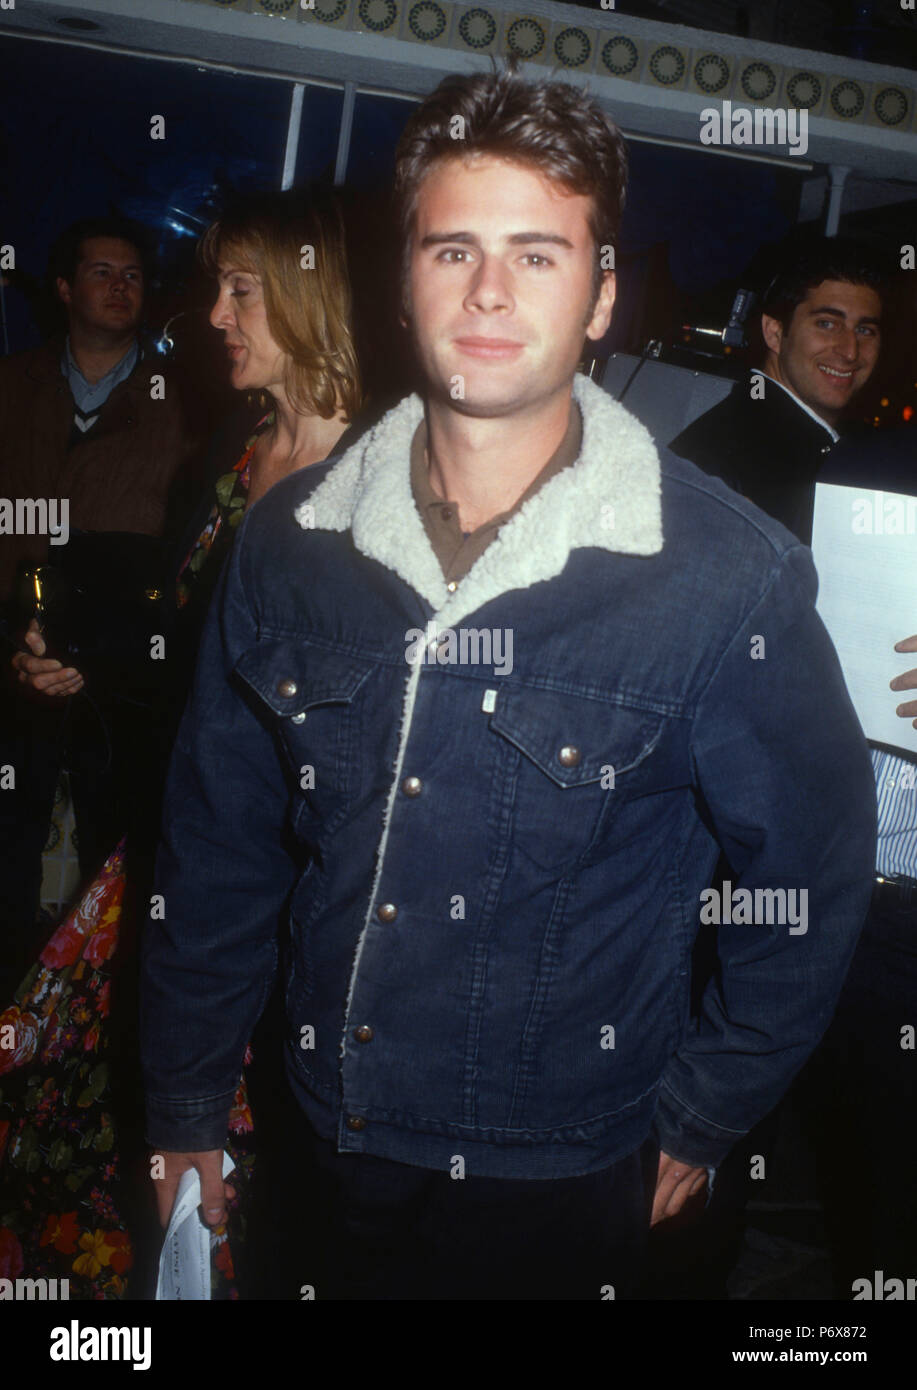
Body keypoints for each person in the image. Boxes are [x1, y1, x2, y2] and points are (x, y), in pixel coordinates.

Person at [140, 67, 876, 1302]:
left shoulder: (722, 577)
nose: (488, 290)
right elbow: (217, 844)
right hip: (318, 1136)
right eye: (453, 250)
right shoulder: (290, 541)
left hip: (558, 1179)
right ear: (401, 280)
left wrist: (704, 1111)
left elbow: (809, 872)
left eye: (537, 255)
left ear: (600, 296)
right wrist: (182, 1096)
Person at [1, 190, 366, 1301]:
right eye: (217, 287)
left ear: (307, 295)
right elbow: (189, 639)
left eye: (241, 289)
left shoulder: (379, 482)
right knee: (79, 1114)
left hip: (281, 886)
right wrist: (90, 661)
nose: (213, 315)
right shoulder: (238, 442)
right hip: (180, 842)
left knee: (243, 1181)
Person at [0, 215, 197, 992]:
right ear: (62, 287)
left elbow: (186, 548)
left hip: (123, 669)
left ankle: (95, 1024)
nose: (120, 287)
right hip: (11, 644)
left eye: (133, 275)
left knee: (118, 852)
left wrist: (117, 641)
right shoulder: (12, 384)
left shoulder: (186, 400)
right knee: (10, 841)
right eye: (100, 272)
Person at [669, 237, 885, 543]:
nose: (850, 351)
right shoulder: (732, 458)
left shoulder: (818, 449)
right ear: (774, 333)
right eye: (826, 324)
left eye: (865, 330)